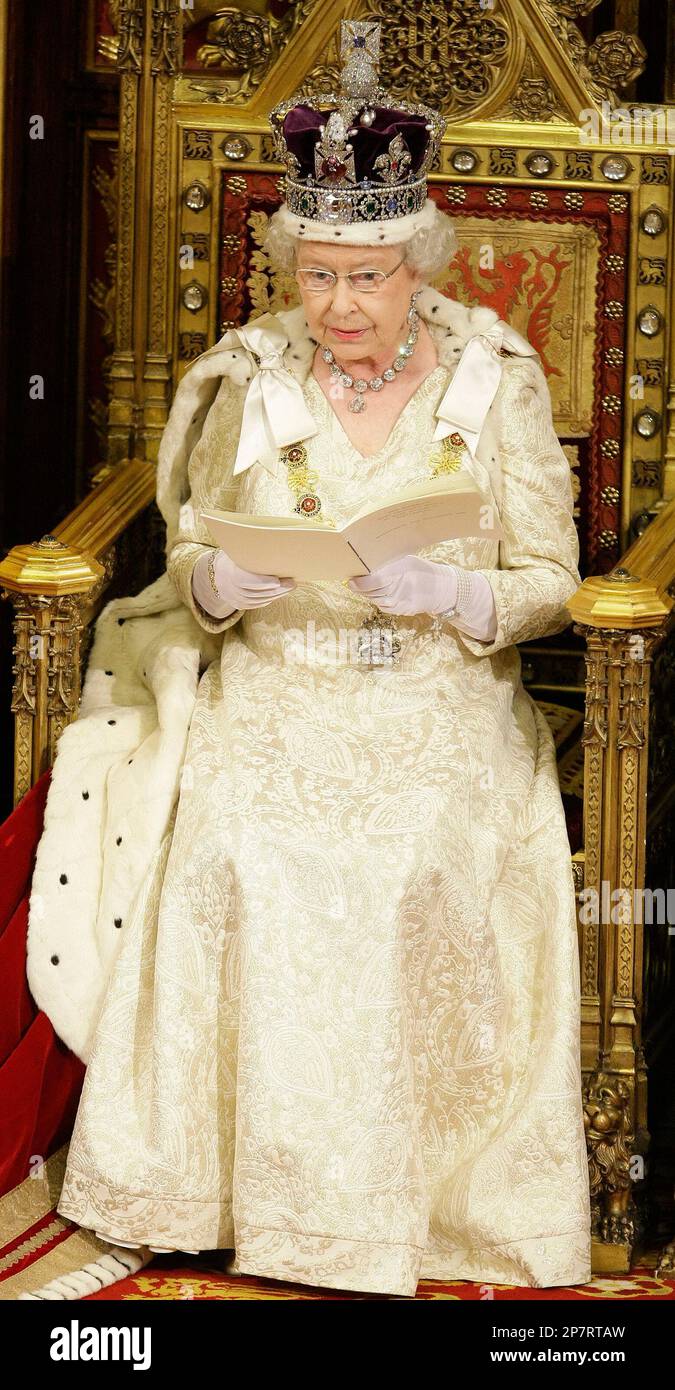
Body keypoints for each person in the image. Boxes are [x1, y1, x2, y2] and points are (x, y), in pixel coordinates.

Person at [19, 18, 591, 1300]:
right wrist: (216, 580)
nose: (338, 306)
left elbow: (555, 576)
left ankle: (398, 1213)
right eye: (318, 275)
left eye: (367, 277)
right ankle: (223, 1195)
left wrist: (459, 592)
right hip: (277, 680)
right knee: (244, 847)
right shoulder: (251, 372)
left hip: (437, 689)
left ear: (417, 263)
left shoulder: (496, 377)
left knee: (398, 858)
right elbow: (187, 547)